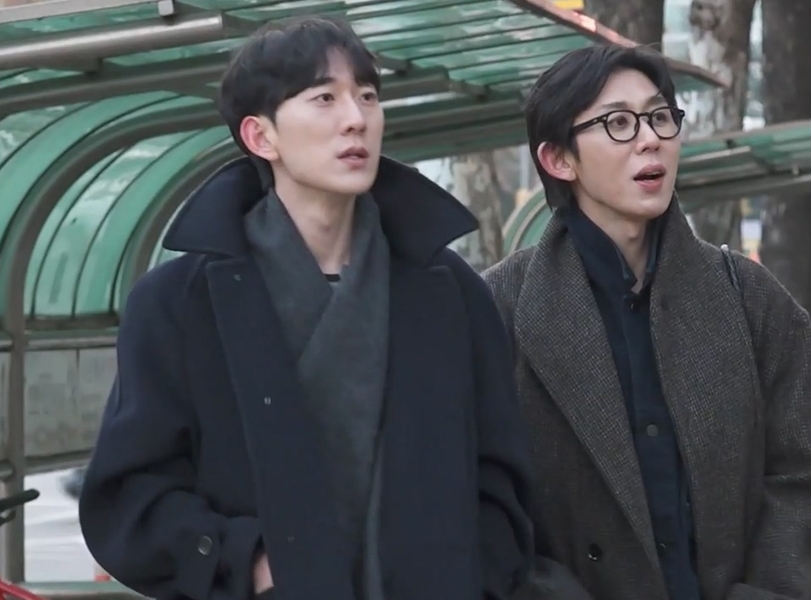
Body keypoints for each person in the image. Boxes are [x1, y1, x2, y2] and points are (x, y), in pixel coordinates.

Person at [78, 17, 532, 600]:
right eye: (324, 98)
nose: (356, 118)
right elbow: (129, 499)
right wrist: (249, 563)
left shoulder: (451, 291)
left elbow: (502, 476)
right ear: (260, 136)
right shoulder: (179, 303)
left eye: (367, 96)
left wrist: (475, 575)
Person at [482, 45, 811, 600]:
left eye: (659, 116)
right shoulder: (498, 309)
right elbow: (481, 507)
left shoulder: (752, 301)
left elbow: (803, 485)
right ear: (559, 159)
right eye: (618, 123)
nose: (650, 138)